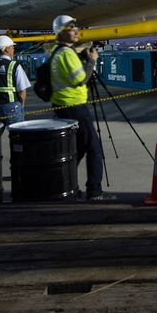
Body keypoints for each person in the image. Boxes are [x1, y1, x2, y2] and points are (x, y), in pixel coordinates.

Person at [50, 14, 115, 202]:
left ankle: (65, 186)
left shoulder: (57, 51)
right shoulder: (66, 53)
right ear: (61, 32)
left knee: (76, 150)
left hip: (64, 106)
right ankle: (94, 192)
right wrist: (92, 60)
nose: (76, 31)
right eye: (72, 28)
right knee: (95, 149)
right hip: (74, 106)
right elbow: (80, 79)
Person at [0, 35, 30, 125]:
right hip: (12, 106)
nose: (13, 49)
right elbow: (22, 90)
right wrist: (21, 106)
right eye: (12, 47)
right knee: (16, 134)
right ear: (6, 49)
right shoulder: (14, 65)